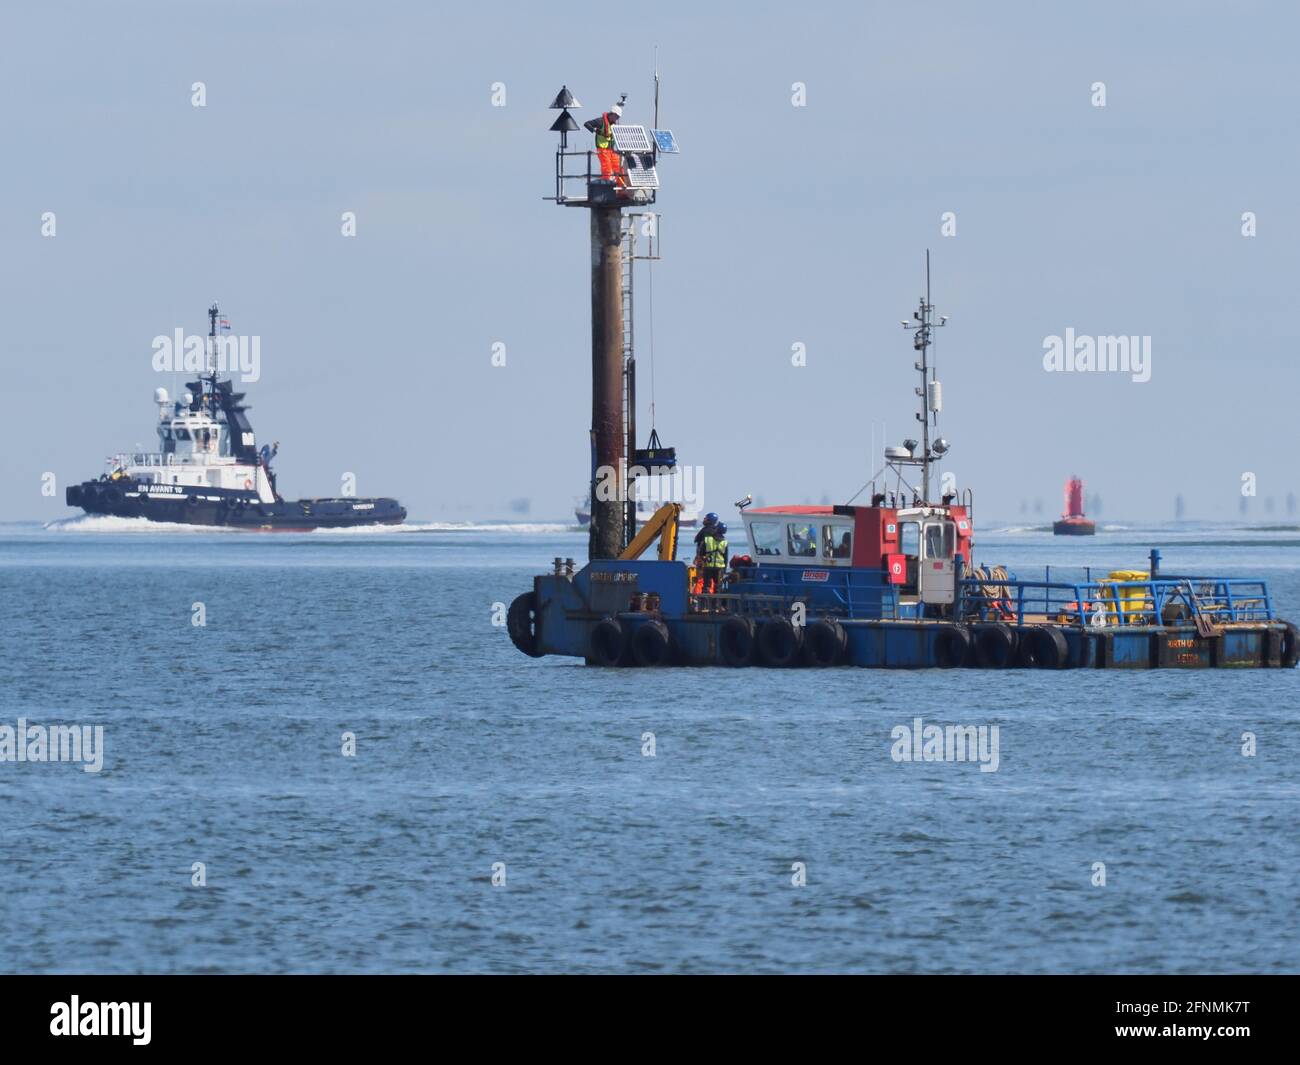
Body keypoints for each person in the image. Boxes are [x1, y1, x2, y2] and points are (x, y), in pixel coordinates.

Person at [583, 100, 625, 184]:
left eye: (618, 117)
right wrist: (596, 131)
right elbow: (587, 124)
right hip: (602, 150)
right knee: (607, 170)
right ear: (612, 114)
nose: (617, 119)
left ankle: (621, 191)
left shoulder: (613, 124)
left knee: (619, 170)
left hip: (611, 150)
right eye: (616, 116)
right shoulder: (600, 121)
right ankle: (606, 188)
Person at [701, 522, 728, 594]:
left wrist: (704, 559)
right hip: (719, 568)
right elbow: (726, 558)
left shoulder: (707, 540)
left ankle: (704, 603)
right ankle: (716, 604)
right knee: (718, 587)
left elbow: (701, 553)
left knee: (706, 586)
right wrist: (724, 570)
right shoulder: (725, 542)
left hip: (708, 566)